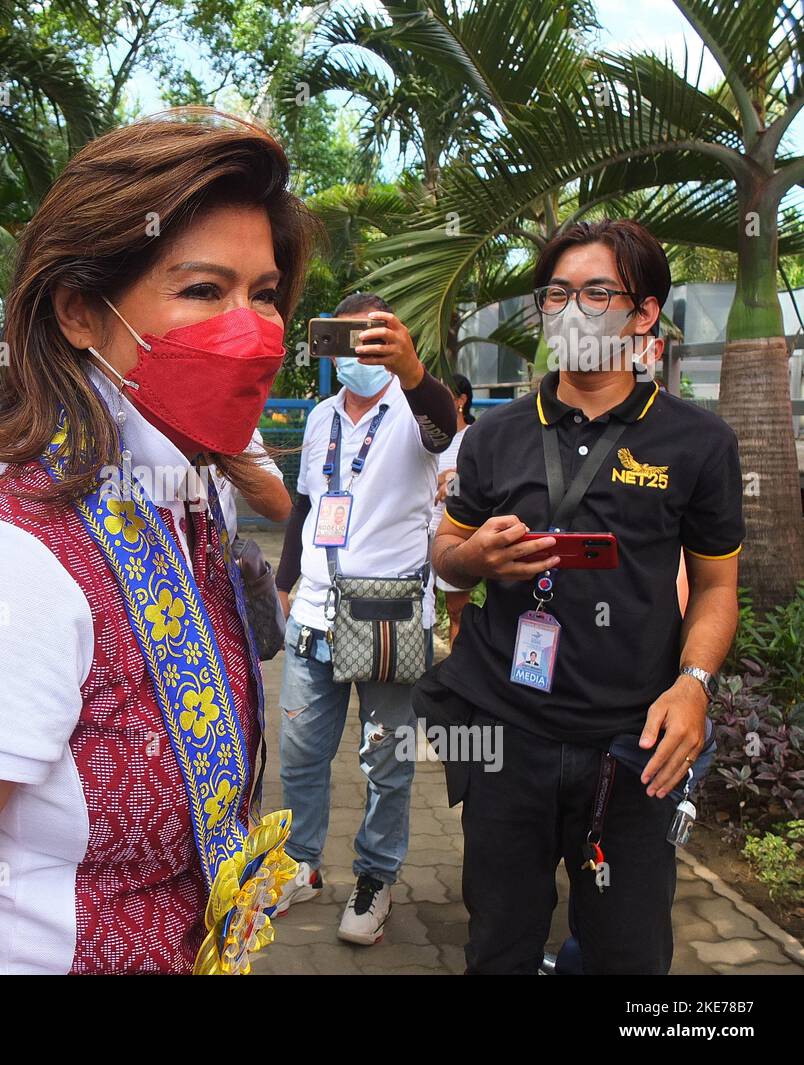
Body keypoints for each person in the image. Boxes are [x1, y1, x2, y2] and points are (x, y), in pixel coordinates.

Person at [0, 108, 323, 975]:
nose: (252, 329)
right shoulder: (14, 562)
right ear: (80, 311)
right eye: (203, 290)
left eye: (264, 293)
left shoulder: (191, 490)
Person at [416, 218, 743, 974]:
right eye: (557, 293)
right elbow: (445, 561)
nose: (572, 311)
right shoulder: (493, 436)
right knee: (497, 944)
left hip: (634, 749)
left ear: (643, 313)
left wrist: (694, 686)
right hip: (505, 734)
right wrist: (476, 556)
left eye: (598, 292)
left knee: (628, 952)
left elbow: (717, 584)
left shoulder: (698, 442)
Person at [271, 291, 456, 945]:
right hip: (315, 615)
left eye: (373, 338)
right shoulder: (321, 416)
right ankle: (299, 861)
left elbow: (442, 423)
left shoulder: (415, 410)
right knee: (299, 753)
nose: (359, 352)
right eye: (347, 338)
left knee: (387, 759)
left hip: (387, 617)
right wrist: (286, 580)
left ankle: (376, 877)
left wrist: (412, 372)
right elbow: (303, 505)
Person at [429, 374, 476, 643]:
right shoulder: (428, 434)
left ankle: (457, 675)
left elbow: (474, 479)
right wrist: (442, 477)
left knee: (457, 610)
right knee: (423, 605)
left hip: (454, 533)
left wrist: (454, 478)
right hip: (422, 531)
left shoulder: (473, 435)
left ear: (461, 400)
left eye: (446, 394)